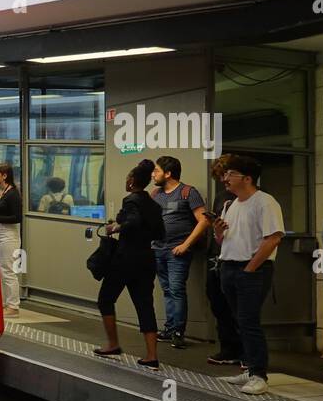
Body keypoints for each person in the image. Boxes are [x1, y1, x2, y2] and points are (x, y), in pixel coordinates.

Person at [213, 155, 285, 395]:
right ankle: (249, 366)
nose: (225, 179)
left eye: (230, 174)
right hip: (229, 267)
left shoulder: (264, 202)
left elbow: (273, 238)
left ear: (247, 178)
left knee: (249, 321)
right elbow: (224, 240)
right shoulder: (230, 204)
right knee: (239, 321)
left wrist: (251, 268)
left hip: (251, 269)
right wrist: (218, 232)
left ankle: (259, 375)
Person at [93, 160, 165, 369]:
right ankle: (151, 356)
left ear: (132, 181)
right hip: (147, 259)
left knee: (105, 299)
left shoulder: (131, 200)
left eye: (127, 178)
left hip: (125, 259)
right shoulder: (154, 205)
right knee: (144, 305)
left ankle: (113, 344)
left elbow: (132, 222)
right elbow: (161, 233)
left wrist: (115, 227)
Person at [150, 155, 209, 348]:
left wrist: (186, 244)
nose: (153, 174)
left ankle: (178, 331)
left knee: (176, 289)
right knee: (167, 290)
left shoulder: (187, 192)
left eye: (157, 171)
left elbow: (204, 220)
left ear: (168, 173)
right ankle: (169, 328)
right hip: (158, 249)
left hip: (177, 251)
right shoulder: (155, 194)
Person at [204, 154, 244, 366]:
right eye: (220, 176)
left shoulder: (249, 199)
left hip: (237, 255)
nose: (223, 180)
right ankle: (228, 347)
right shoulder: (222, 197)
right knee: (217, 300)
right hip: (217, 254)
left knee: (237, 306)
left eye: (225, 175)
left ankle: (244, 351)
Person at [0, 163, 22, 316]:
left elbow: (17, 217)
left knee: (8, 270)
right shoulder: (0, 193)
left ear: (4, 176)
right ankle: (4, 303)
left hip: (9, 235)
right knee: (0, 270)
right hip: (0, 232)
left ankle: (13, 306)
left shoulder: (13, 194)